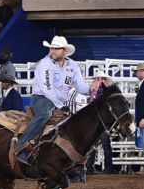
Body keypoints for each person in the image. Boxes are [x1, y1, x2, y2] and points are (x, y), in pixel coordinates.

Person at [13, 36, 90, 164]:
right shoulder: (45, 64)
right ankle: (20, 146)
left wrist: (91, 90)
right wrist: (60, 106)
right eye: (51, 48)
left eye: (57, 48)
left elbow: (81, 86)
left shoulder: (73, 66)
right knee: (45, 113)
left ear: (64, 51)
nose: (53, 51)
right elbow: (46, 89)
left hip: (59, 102)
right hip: (41, 99)